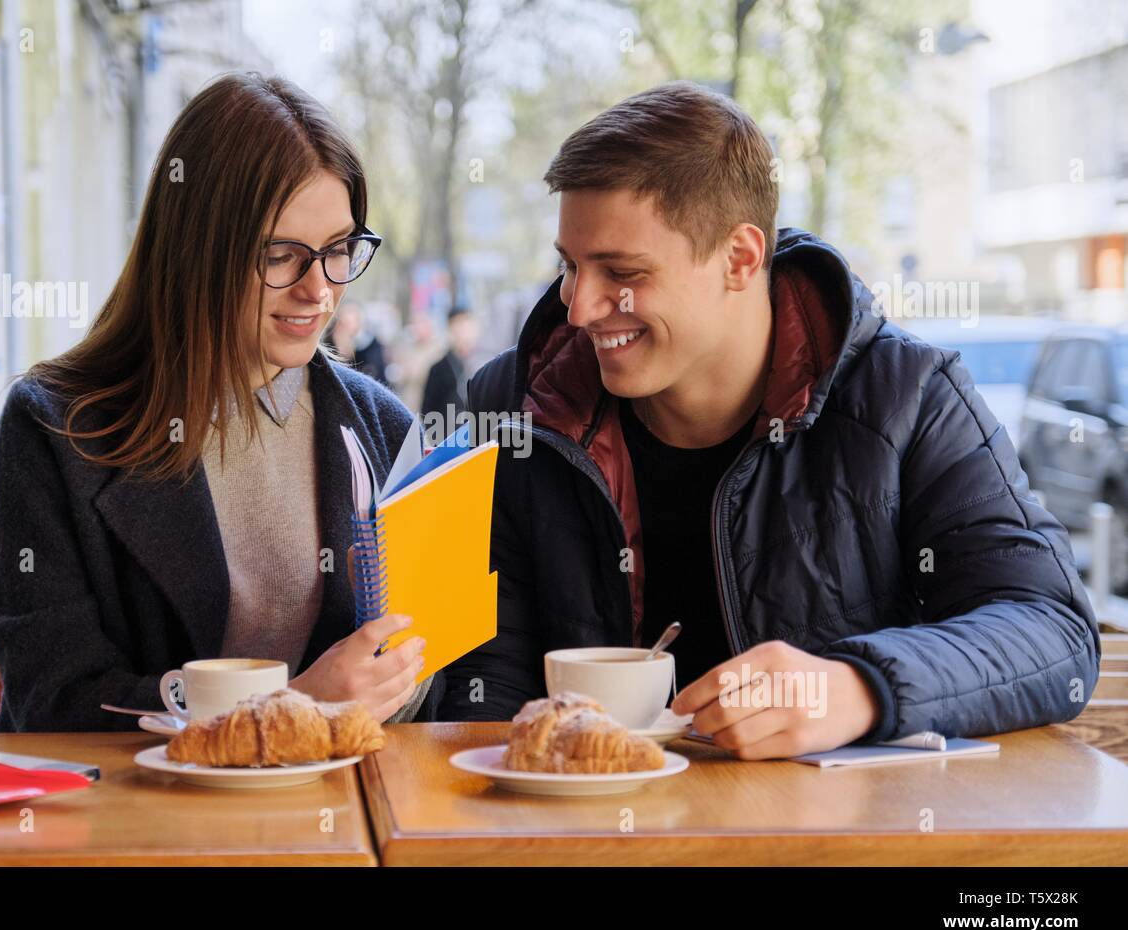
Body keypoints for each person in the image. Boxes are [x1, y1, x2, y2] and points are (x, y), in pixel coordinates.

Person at [441, 82, 1100, 759]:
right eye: (570, 266)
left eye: (621, 272)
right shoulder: (512, 407)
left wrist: (856, 688)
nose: (579, 308)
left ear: (740, 258)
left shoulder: (906, 396)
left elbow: (1053, 631)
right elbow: (486, 689)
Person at [0, 73, 439, 731]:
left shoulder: (383, 427)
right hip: (132, 813)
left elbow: (438, 669)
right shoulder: (56, 428)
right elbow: (55, 699)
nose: (320, 290)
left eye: (339, 250)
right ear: (200, 251)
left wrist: (399, 681)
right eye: (283, 255)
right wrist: (290, 708)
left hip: (332, 811)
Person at [421, 306, 479, 423]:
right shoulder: (439, 369)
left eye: (467, 323)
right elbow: (427, 412)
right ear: (450, 328)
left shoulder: (484, 363)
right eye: (459, 325)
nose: (464, 330)